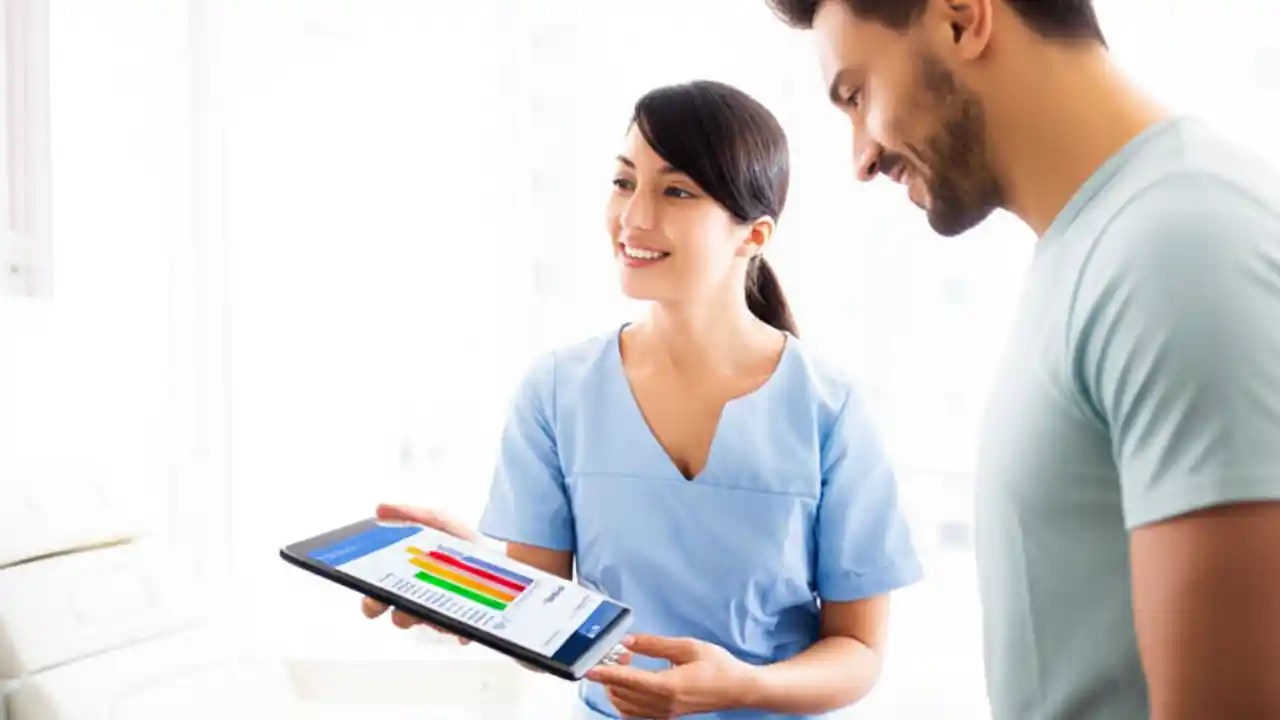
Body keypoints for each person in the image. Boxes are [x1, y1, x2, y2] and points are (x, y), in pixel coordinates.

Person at [767, 1, 1280, 718]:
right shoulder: (1100, 245)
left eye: (857, 95)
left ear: (960, 18)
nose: (860, 156)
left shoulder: (1180, 249)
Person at [363, 80, 921, 719]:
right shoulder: (557, 391)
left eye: (676, 191)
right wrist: (467, 584)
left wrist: (741, 686)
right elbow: (544, 622)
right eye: (625, 182)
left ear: (754, 235)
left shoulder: (831, 409)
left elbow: (858, 650)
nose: (633, 218)